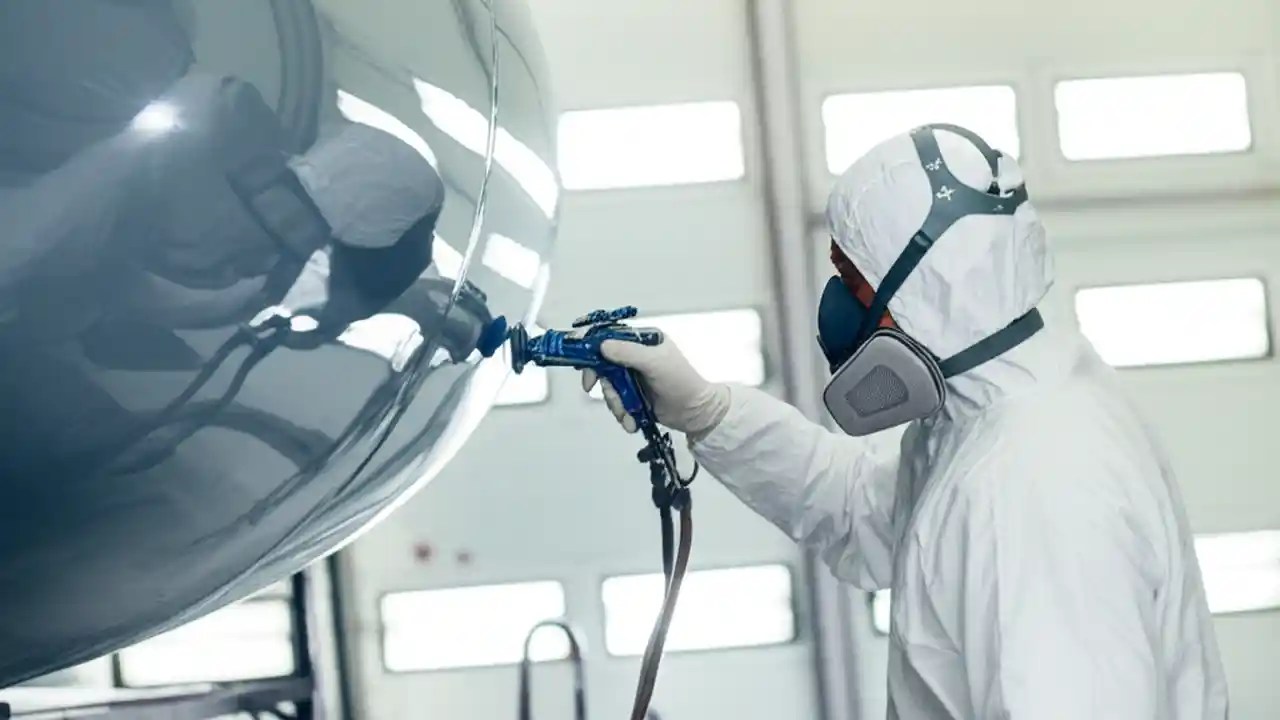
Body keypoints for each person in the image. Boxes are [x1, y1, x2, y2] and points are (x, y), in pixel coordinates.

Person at [583, 126, 1229, 719]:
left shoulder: (1034, 488)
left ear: (929, 289)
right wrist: (706, 410)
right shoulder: (991, 412)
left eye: (853, 286)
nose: (839, 312)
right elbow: (864, 514)